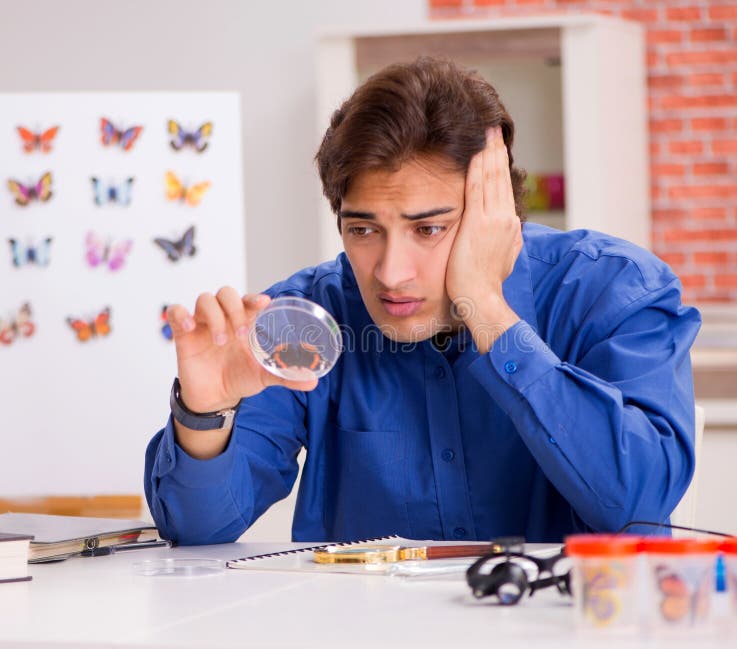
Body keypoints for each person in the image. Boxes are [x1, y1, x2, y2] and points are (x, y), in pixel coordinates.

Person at [145, 57, 701, 545]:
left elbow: (638, 504)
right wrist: (205, 412)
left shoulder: (612, 292)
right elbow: (199, 529)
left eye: (429, 229)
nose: (391, 273)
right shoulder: (307, 319)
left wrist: (487, 309)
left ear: (495, 214)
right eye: (363, 230)